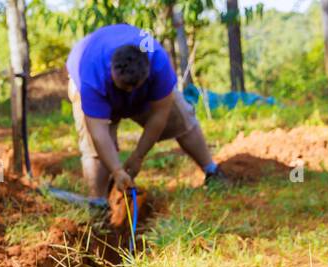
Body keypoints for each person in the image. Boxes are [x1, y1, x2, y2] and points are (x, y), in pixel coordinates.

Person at [67, 23, 225, 203]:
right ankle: (98, 202)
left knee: (181, 117)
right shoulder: (91, 74)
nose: (128, 92)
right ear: (112, 69)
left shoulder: (158, 62)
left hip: (145, 91)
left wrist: (138, 156)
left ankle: (212, 171)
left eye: (133, 86)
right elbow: (98, 132)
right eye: (124, 87)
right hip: (92, 84)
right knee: (94, 148)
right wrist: (117, 170)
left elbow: (159, 115)